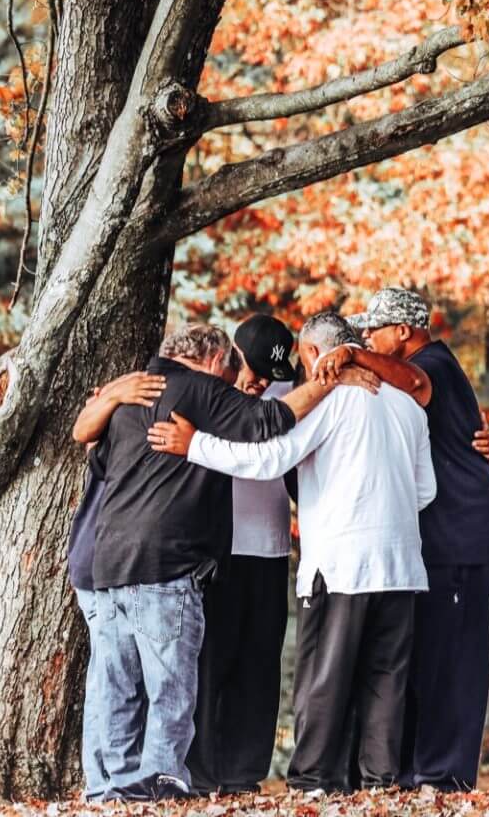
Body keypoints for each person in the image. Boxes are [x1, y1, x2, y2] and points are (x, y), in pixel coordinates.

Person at [147, 311, 435, 794]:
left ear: (315, 353)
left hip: (340, 564)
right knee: (386, 679)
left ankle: (314, 781)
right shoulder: (408, 407)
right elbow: (425, 491)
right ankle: (380, 784)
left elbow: (271, 459)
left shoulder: (330, 397)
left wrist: (194, 445)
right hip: (403, 566)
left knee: (324, 675)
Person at [87, 322, 359, 800]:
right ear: (216, 359)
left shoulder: (130, 396)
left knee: (116, 684)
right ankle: (161, 783)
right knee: (171, 684)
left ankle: (110, 788)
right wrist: (331, 378)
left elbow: (98, 458)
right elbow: (268, 421)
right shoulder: (201, 389)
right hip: (166, 560)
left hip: (110, 560)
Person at [187, 313, 379, 796]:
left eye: (269, 376)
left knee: (258, 664)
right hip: (217, 547)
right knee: (211, 662)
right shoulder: (211, 391)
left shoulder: (292, 392)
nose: (258, 383)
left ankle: (243, 773)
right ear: (234, 355)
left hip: (270, 548)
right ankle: (201, 773)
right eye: (252, 370)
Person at [348, 287, 489, 792]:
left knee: (453, 659)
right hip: (439, 541)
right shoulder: (423, 372)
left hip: (460, 539)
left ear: (403, 331)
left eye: (373, 331)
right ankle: (419, 771)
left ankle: (444, 775)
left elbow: (415, 383)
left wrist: (351, 355)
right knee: (428, 654)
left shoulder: (430, 365)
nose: (366, 339)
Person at [66, 370, 168, 801]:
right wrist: (111, 396)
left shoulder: (127, 412)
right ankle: (106, 782)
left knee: (110, 674)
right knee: (114, 677)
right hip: (103, 564)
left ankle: (106, 780)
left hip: (106, 561)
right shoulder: (125, 416)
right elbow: (83, 432)